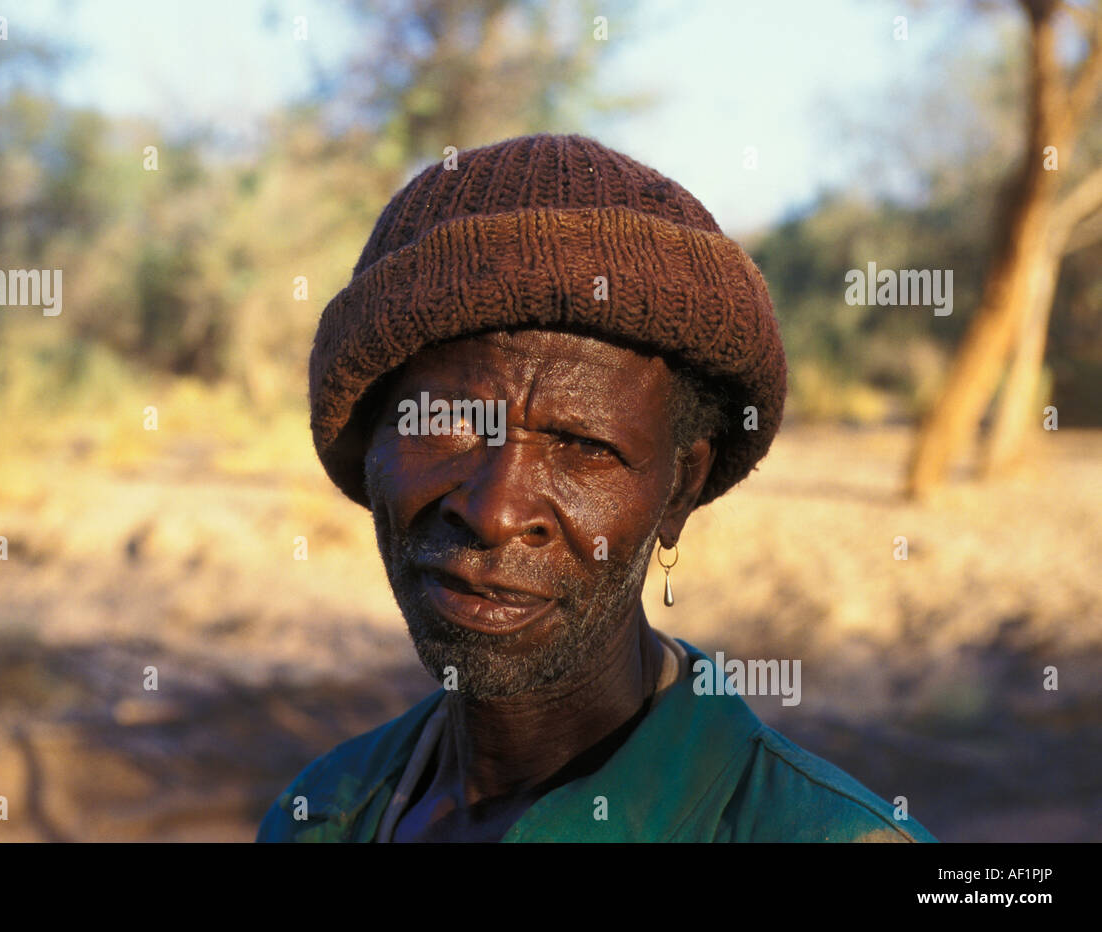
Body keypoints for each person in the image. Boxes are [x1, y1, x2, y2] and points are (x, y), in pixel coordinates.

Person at [256, 133, 936, 843]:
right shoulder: (323, 811)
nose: (493, 511)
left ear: (680, 487)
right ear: (371, 444)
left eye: (584, 447)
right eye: (446, 422)